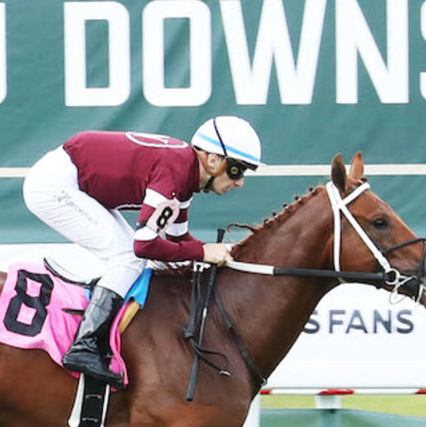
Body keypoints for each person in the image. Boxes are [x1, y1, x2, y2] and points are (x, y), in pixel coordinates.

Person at [22, 116, 264, 387]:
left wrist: (215, 253)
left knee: (130, 257)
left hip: (73, 178)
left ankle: (91, 340)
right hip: (56, 185)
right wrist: (203, 252)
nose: (240, 182)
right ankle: (83, 346)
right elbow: (145, 245)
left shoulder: (185, 174)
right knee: (127, 257)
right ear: (213, 160)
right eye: (237, 170)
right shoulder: (176, 170)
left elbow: (179, 238)